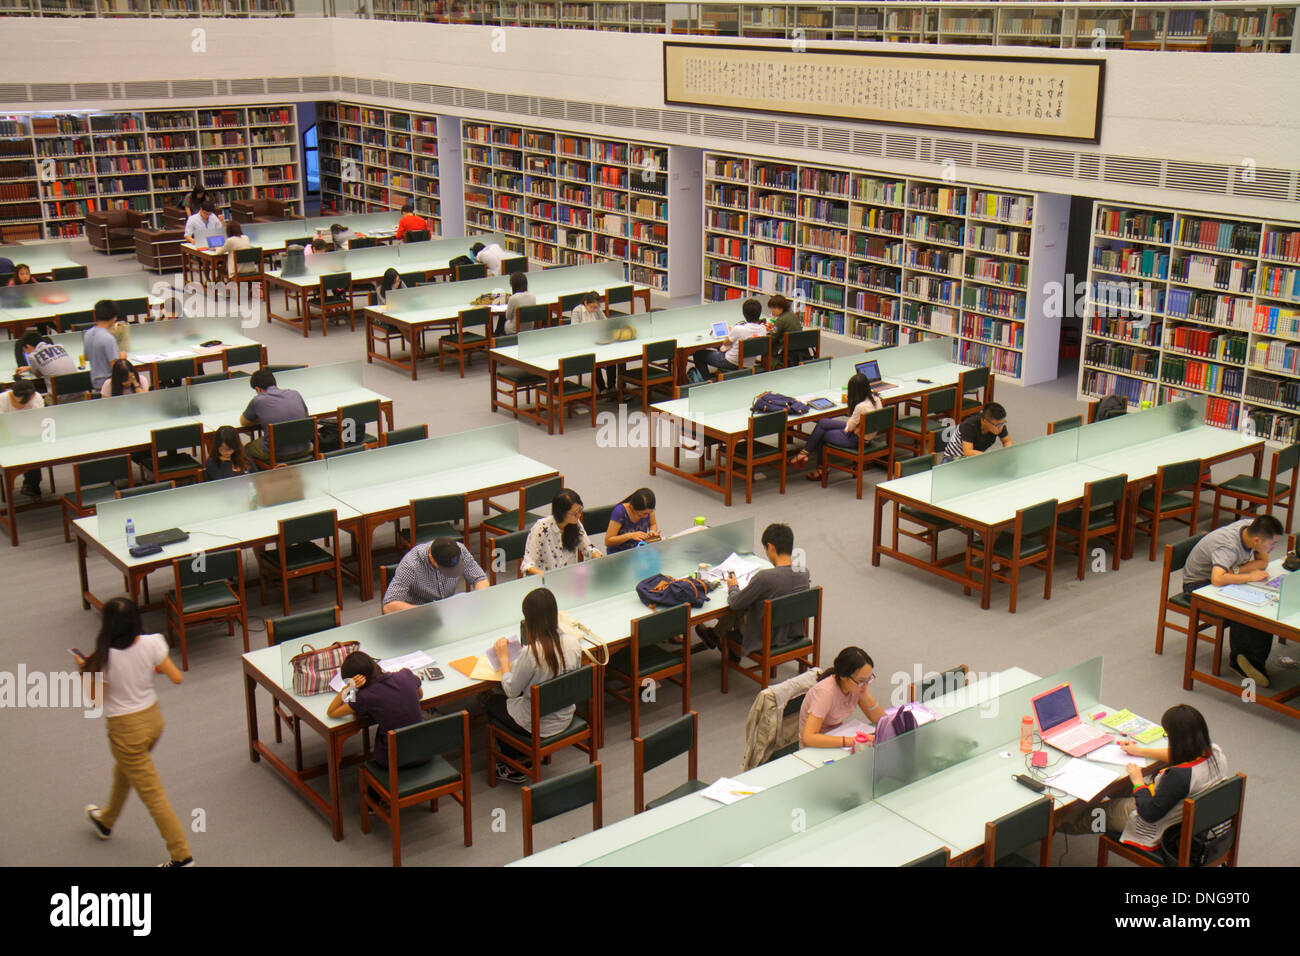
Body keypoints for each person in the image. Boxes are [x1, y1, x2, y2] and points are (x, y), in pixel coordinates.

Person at [75, 597, 194, 867]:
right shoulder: (152, 642)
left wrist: (83, 671)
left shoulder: (104, 657)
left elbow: (95, 701)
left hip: (125, 732)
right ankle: (106, 822)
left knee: (153, 795)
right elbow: (176, 676)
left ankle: (182, 857)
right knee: (126, 771)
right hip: (153, 722)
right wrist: (147, 667)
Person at [1060, 705, 1229, 856]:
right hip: (1185, 817)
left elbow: (1149, 813)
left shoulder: (1179, 777)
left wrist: (1138, 781)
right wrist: (1140, 751)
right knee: (1117, 785)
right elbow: (1179, 754)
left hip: (1154, 824)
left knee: (1095, 813)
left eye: (1167, 734)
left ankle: (1056, 824)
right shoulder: (1215, 752)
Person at [487, 587, 584, 783]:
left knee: (490, 701)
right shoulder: (574, 643)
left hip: (538, 725)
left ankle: (516, 764)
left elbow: (512, 691)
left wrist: (504, 660)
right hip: (564, 714)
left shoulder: (532, 653)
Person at [1182, 514, 1285, 687]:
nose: (1274, 548)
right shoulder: (1228, 547)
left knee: (1263, 604)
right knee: (1245, 607)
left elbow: (1263, 562)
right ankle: (1241, 659)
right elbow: (1217, 578)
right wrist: (1248, 575)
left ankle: (1252, 659)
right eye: (1272, 544)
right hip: (1197, 585)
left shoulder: (1250, 527)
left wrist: (1236, 570)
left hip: (1218, 576)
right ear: (1258, 540)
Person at [695, 522, 811, 658]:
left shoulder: (765, 578)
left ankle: (718, 638)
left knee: (740, 601)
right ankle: (715, 636)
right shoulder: (804, 573)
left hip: (765, 636)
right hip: (792, 631)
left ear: (771, 547)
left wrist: (733, 586)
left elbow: (735, 603)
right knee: (752, 598)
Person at [326, 651, 425, 770]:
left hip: (394, 759)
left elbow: (332, 712)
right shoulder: (406, 674)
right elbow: (419, 695)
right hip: (424, 751)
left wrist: (348, 688)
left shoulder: (365, 697)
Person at [789, 372, 884, 481]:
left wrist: (851, 407)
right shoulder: (875, 398)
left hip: (857, 439)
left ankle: (820, 469)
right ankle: (804, 454)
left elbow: (848, 428)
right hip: (865, 435)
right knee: (823, 422)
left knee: (822, 434)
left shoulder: (861, 407)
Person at [799, 647, 887, 749]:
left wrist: (865, 694)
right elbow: (809, 738)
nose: (866, 685)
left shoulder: (856, 687)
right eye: (861, 680)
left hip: (837, 737)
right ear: (843, 676)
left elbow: (882, 720)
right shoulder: (825, 693)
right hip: (815, 747)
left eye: (869, 679)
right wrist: (852, 740)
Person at [382, 536, 489, 613]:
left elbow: (480, 578)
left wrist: (479, 598)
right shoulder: (411, 565)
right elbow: (389, 605)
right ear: (431, 558)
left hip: (448, 611)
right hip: (419, 614)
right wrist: (427, 612)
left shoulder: (459, 550)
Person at [519, 488, 602, 575]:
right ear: (561, 513)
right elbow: (527, 565)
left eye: (580, 510)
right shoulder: (541, 528)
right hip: (545, 581)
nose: (579, 515)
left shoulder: (574, 523)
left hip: (568, 579)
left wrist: (597, 555)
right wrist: (545, 576)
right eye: (574, 513)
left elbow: (588, 548)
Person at [239, 368, 310, 463]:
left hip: (277, 453)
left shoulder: (258, 400)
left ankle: (259, 474)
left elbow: (244, 422)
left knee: (246, 448)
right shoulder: (295, 394)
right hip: (305, 448)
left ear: (257, 389)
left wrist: (261, 418)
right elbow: (306, 415)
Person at [692, 298, 768, 380]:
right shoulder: (763, 329)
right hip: (749, 363)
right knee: (719, 349)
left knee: (698, 355)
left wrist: (730, 332)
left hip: (731, 362)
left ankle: (707, 381)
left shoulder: (738, 329)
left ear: (744, 313)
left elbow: (725, 343)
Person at [0, 379, 45, 498]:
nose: (23, 405)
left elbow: (39, 421)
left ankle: (31, 484)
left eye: (28, 400)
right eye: (20, 402)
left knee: (33, 450)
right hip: (7, 437)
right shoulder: (3, 399)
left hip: (31, 435)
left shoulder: (36, 398)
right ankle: (30, 484)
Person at [570, 290, 619, 394]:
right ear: (585, 303)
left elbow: (606, 323)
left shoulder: (597, 309)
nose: (594, 310)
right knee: (593, 360)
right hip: (584, 344)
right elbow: (574, 331)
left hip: (597, 341)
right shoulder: (577, 311)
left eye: (596, 307)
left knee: (613, 357)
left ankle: (612, 386)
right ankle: (601, 388)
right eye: (592, 307)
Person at [941, 401, 1012, 463]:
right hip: (954, 459)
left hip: (975, 458)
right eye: (997, 425)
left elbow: (1006, 441)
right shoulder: (969, 425)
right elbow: (968, 452)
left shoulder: (999, 425)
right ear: (985, 421)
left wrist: (1008, 453)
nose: (1001, 427)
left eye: (1003, 423)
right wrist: (991, 457)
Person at [605, 487, 660, 554]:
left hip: (638, 550)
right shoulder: (620, 512)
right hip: (619, 553)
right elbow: (608, 541)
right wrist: (630, 536)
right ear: (633, 508)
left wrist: (652, 531)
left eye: (649, 513)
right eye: (643, 513)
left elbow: (653, 524)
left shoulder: (648, 510)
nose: (646, 516)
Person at [83, 300, 121, 390]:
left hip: (95, 383)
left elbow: (86, 357)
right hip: (109, 384)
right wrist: (122, 356)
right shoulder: (108, 338)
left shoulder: (87, 334)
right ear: (114, 317)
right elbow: (116, 366)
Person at [766, 293, 805, 365]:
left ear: (781, 308)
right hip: (798, 349)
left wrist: (767, 332)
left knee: (767, 346)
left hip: (786, 351)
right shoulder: (792, 315)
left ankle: (767, 366)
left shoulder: (780, 320)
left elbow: (772, 337)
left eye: (774, 308)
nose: (772, 311)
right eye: (771, 308)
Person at [499, 270, 536, 336]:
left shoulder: (513, 298)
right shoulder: (533, 296)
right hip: (529, 328)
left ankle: (497, 336)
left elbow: (508, 317)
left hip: (514, 329)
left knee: (502, 320)